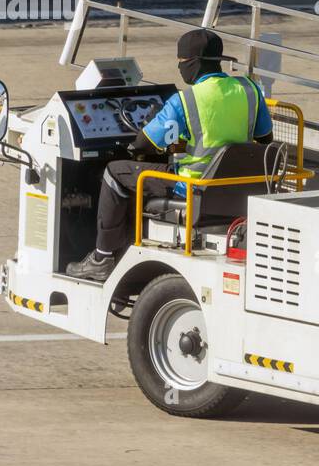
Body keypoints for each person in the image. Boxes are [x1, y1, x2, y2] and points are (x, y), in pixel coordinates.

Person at [66, 29, 273, 282]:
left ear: (193, 63)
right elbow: (265, 140)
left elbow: (142, 144)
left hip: (192, 188)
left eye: (181, 63)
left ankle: (102, 256)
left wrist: (154, 123)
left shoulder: (185, 101)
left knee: (114, 172)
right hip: (238, 190)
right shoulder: (249, 89)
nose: (180, 68)